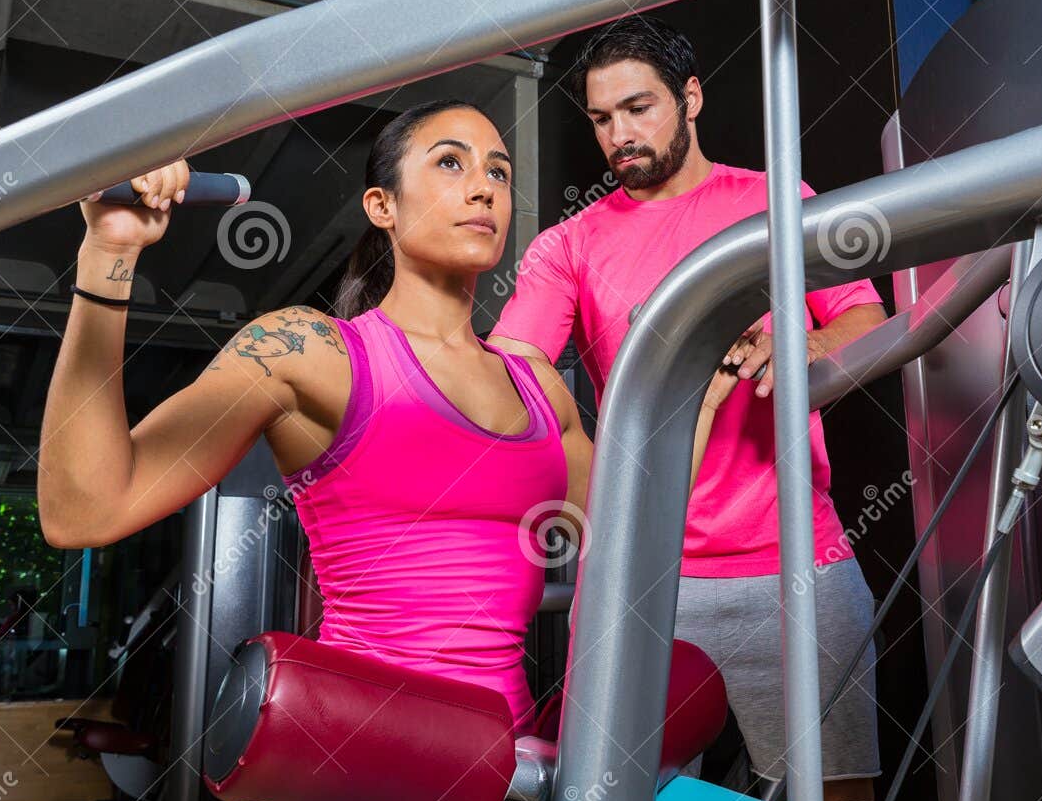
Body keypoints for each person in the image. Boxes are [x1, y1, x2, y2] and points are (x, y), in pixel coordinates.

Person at [38, 99, 733, 736]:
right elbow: (84, 513)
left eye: (499, 169)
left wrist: (703, 383)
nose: (485, 186)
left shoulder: (538, 388)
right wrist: (111, 254)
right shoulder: (310, 353)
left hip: (509, 772)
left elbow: (635, 533)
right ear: (382, 206)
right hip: (361, 763)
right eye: (450, 162)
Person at [490, 15, 889, 801]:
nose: (620, 136)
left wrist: (804, 344)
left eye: (638, 109)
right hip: (648, 577)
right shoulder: (570, 245)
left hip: (797, 561)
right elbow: (514, 376)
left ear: (692, 97)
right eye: (602, 120)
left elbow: (867, 324)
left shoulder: (777, 204)